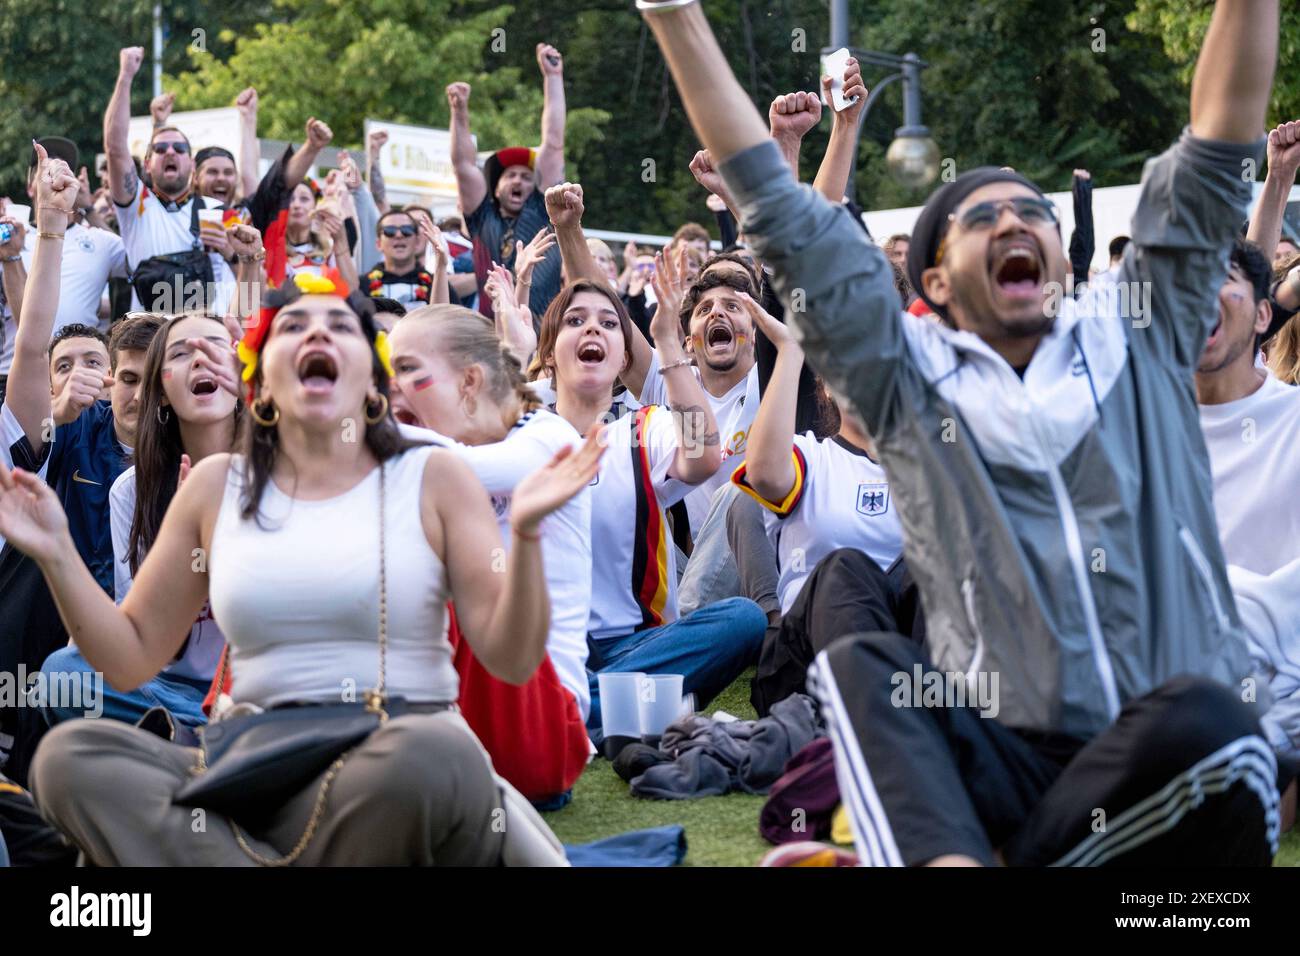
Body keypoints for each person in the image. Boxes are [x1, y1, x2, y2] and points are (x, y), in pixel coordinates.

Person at [638, 0, 1281, 866]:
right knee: (866, 668)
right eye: (984, 218)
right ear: (934, 281)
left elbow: (1219, 134)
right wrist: (672, 12)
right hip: (994, 752)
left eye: (1031, 214)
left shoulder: (1140, 332)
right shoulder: (906, 374)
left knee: (1218, 729)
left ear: (1061, 254)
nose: (1015, 221)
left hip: (1153, 748)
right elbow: (773, 200)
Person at [0, 268, 603, 866]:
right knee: (69, 760)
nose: (316, 336)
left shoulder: (435, 475)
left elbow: (512, 658)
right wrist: (56, 551)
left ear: (372, 377)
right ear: (260, 380)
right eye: (294, 327)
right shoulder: (215, 486)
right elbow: (130, 656)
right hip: (250, 760)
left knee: (434, 757)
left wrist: (523, 534)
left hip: (387, 756)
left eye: (339, 326)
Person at [532, 274, 765, 748]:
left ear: (623, 357)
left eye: (608, 323)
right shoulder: (519, 435)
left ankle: (561, 715)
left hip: (635, 645)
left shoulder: (641, 428)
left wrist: (664, 342)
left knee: (741, 620)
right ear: (549, 349)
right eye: (576, 321)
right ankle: (613, 711)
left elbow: (702, 455)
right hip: (544, 650)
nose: (593, 330)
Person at [389, 304, 592, 801]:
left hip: (543, 723)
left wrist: (347, 416)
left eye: (407, 370)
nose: (391, 389)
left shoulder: (550, 437)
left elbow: (455, 468)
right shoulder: (422, 463)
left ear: (469, 381)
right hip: (453, 721)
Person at [41, 310, 240, 728]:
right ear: (162, 390)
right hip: (166, 685)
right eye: (182, 352)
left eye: (216, 347)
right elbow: (147, 645)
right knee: (62, 675)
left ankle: (195, 735)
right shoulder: (131, 489)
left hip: (252, 685)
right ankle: (196, 732)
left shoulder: (280, 471)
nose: (201, 359)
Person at [729, 290, 912, 715]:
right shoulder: (811, 456)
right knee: (847, 569)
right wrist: (791, 353)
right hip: (804, 663)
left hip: (904, 658)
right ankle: (877, 726)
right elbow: (763, 473)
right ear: (826, 387)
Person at [104, 47, 239, 314]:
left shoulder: (220, 212)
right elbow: (115, 148)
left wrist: (231, 253)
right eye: (160, 149)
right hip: (145, 343)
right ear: (147, 163)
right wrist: (126, 76)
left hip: (201, 340)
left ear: (191, 163)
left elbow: (248, 289)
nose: (170, 152)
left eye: (179, 149)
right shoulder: (137, 206)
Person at [448, 43, 566, 318]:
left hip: (543, 334)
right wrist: (459, 111)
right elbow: (463, 165)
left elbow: (553, 144)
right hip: (491, 333)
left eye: (526, 177)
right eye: (510, 175)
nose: (519, 181)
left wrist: (552, 78)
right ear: (496, 188)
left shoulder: (543, 212)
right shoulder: (482, 218)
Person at [363, 209, 447, 307]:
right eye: (390, 231)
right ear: (378, 244)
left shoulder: (438, 284)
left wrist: (441, 265)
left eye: (406, 230)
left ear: (417, 242)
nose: (399, 235)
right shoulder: (362, 285)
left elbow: (448, 319)